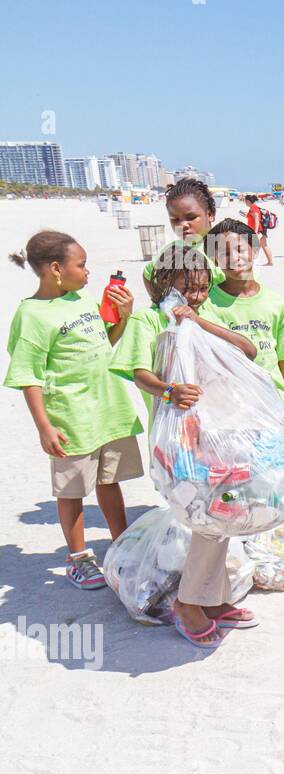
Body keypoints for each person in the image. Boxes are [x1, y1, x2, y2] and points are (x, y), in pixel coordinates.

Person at [111, 243, 260, 646]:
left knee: (221, 516)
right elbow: (136, 371)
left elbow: (248, 350)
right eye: (187, 287)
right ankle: (189, 603)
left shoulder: (204, 315)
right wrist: (169, 390)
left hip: (216, 435)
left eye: (201, 288)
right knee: (205, 520)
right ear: (163, 284)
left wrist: (199, 320)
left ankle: (214, 599)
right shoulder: (146, 321)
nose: (195, 295)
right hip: (177, 440)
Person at [6, 232, 142, 590]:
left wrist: (123, 317)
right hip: (72, 417)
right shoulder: (32, 314)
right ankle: (79, 559)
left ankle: (121, 543)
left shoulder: (80, 301)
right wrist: (44, 426)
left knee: (109, 481)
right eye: (80, 265)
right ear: (55, 269)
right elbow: (27, 376)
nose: (87, 271)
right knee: (72, 490)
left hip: (108, 408)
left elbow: (104, 344)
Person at [205, 219, 284, 436]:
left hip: (274, 404)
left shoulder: (275, 303)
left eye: (241, 249)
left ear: (255, 249)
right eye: (223, 253)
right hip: (228, 410)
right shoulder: (207, 302)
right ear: (213, 259)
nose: (234, 258)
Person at [145, 178, 224, 287]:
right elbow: (148, 273)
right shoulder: (171, 250)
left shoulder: (224, 249)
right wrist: (157, 301)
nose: (182, 225)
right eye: (175, 219)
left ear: (210, 214)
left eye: (191, 217)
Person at [244, 194, 274, 266]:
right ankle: (270, 262)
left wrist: (255, 231)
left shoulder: (253, 208)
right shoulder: (254, 207)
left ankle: (251, 263)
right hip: (262, 229)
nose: (244, 202)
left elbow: (256, 220)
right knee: (264, 245)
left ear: (248, 201)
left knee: (252, 246)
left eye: (245, 201)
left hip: (258, 230)